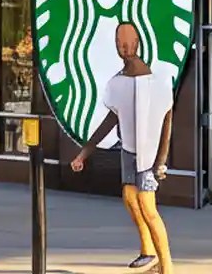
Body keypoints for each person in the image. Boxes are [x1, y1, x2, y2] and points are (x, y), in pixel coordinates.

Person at [72, 23, 176, 271]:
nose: (126, 47)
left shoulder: (157, 80)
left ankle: (168, 267)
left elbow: (166, 121)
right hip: (129, 151)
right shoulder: (117, 84)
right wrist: (84, 153)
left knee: (148, 207)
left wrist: (160, 160)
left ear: (138, 42)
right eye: (121, 43)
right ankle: (148, 251)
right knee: (130, 197)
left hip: (147, 155)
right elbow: (110, 120)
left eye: (129, 42)